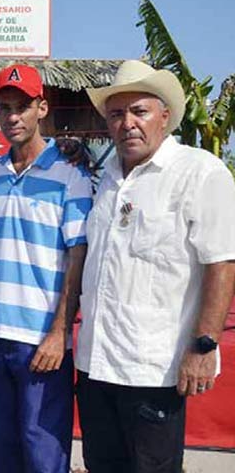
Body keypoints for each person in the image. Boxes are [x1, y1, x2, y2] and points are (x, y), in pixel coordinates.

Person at [76, 60, 235, 472]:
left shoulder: (199, 172)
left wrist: (204, 346)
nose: (127, 123)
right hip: (96, 365)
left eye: (139, 111)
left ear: (165, 116)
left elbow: (221, 262)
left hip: (153, 369)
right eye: (116, 114)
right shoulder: (105, 178)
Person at [0, 65, 92, 472]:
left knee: (43, 452)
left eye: (22, 107)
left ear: (41, 108)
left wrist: (60, 332)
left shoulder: (71, 173)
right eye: (5, 108)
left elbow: (77, 255)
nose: (12, 117)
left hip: (41, 338)